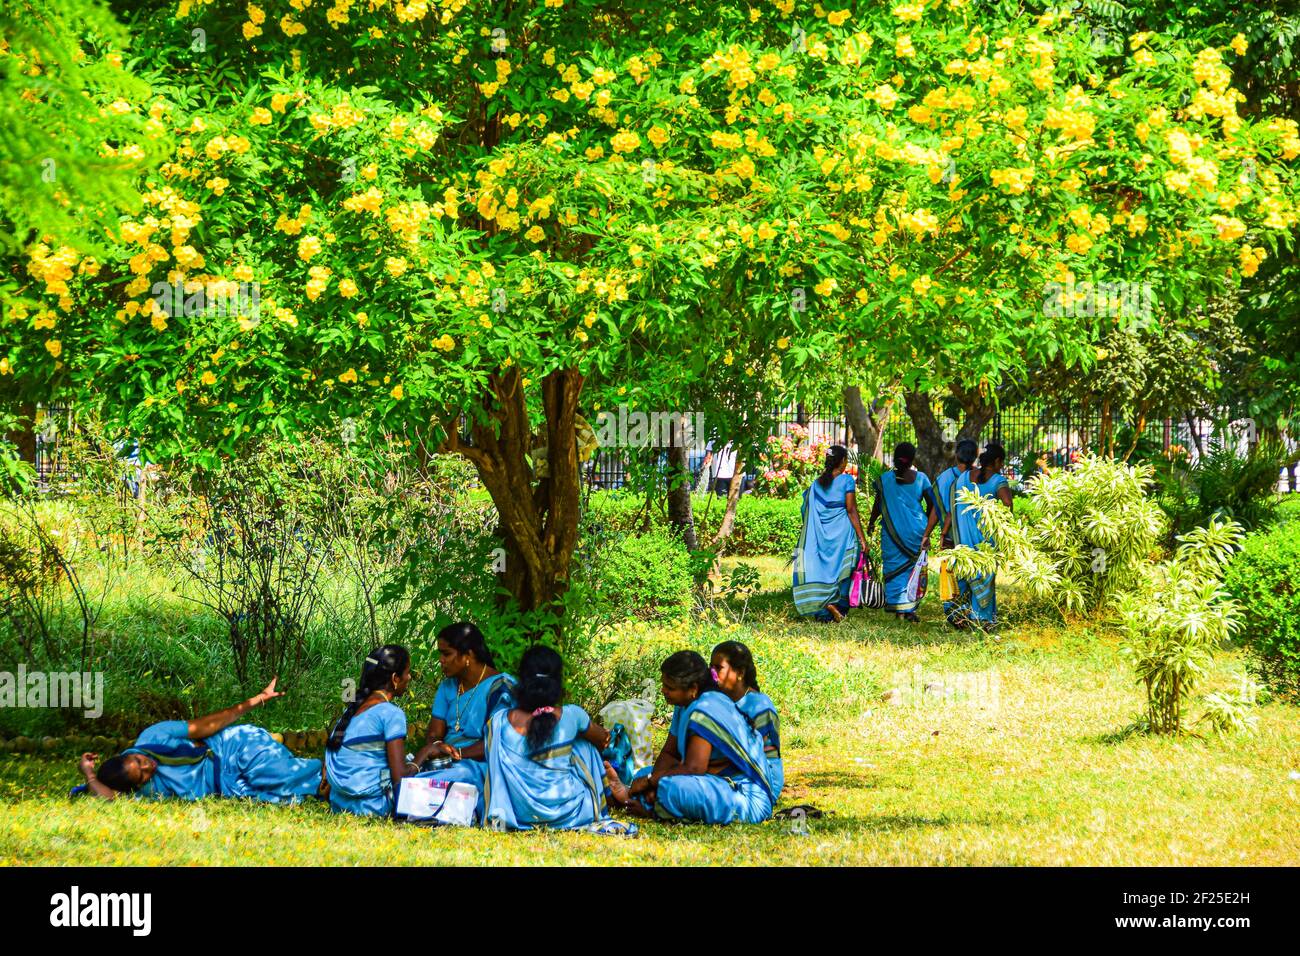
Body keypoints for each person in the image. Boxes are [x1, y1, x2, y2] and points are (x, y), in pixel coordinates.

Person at [76, 678, 324, 803]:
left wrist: (257, 699)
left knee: (273, 775)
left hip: (231, 748)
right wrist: (89, 775)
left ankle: (327, 775)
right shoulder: (145, 791)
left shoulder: (153, 737)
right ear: (135, 785)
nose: (147, 767)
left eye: (139, 761)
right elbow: (107, 798)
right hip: (226, 785)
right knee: (275, 797)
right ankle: (324, 785)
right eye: (141, 775)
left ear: (131, 753)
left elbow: (207, 725)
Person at [604, 651, 774, 825]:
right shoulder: (684, 706)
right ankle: (634, 797)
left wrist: (651, 782)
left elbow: (694, 768)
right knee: (645, 773)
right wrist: (651, 780)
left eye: (670, 688)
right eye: (664, 685)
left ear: (693, 689)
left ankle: (649, 807)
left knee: (672, 788)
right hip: (711, 782)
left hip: (746, 797)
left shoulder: (705, 709)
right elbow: (670, 753)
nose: (664, 691)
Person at [483, 645, 634, 834]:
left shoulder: (497, 722)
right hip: (571, 814)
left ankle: (613, 792)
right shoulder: (572, 716)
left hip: (517, 815)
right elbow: (604, 739)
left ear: (521, 680)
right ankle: (610, 794)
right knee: (583, 746)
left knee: (575, 743)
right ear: (557, 682)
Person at [410, 622, 516, 820]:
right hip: (447, 762)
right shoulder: (448, 686)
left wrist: (457, 754)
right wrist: (436, 746)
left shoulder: (501, 688)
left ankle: (406, 795)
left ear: (468, 655)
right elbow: (434, 732)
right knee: (412, 771)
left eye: (447, 654)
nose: (441, 661)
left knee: (448, 777)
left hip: (479, 765)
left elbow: (497, 743)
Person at [325, 645, 417, 817]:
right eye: (407, 672)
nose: (409, 677)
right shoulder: (392, 714)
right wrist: (424, 754)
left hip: (339, 802)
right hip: (373, 806)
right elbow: (400, 779)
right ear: (395, 678)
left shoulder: (352, 710)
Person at [942, 442, 1014, 630]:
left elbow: (952, 509)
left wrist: (944, 534)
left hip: (963, 539)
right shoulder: (998, 480)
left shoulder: (963, 477)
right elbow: (1007, 502)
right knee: (985, 579)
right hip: (986, 541)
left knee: (964, 578)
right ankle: (982, 620)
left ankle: (960, 617)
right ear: (997, 461)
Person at [792, 444, 867, 623]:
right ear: (842, 461)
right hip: (843, 535)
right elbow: (851, 509)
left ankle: (825, 609)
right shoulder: (847, 480)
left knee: (823, 570)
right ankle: (839, 607)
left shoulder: (816, 484)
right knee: (845, 570)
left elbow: (806, 509)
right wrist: (862, 538)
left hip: (821, 535)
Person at [868, 442, 940, 622]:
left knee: (894, 569)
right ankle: (909, 609)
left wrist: (871, 523)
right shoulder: (922, 478)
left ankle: (900, 609)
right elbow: (933, 506)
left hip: (891, 534)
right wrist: (926, 527)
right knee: (913, 570)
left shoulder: (884, 480)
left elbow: (878, 505)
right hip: (917, 532)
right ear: (913, 459)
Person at [710, 641, 782, 800]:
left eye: (719, 668)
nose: (712, 673)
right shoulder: (718, 701)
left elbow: (747, 755)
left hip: (760, 778)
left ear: (740, 672)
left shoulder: (759, 706)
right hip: (724, 771)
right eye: (711, 667)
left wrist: (701, 769)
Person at [935, 439, 978, 627]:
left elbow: (936, 510)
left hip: (951, 536)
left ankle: (953, 613)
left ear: (956, 455)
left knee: (951, 575)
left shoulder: (944, 478)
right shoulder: (980, 477)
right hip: (975, 536)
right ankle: (972, 612)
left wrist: (938, 534)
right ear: (975, 455)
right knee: (972, 575)